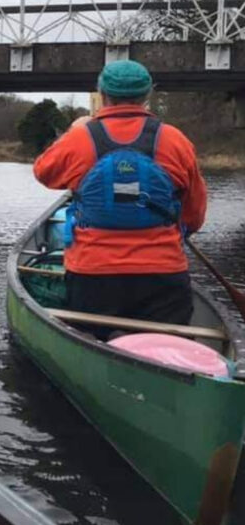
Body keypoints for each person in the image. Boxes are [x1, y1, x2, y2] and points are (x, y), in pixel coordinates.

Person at [33, 59, 207, 330]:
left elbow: (43, 173)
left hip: (93, 274)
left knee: (93, 340)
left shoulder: (79, 139)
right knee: (167, 350)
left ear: (102, 95)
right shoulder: (175, 141)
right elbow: (194, 215)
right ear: (147, 95)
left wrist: (73, 130)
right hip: (163, 274)